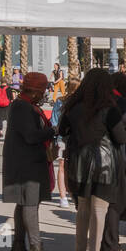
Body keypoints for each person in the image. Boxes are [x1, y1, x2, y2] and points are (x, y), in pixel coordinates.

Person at [58, 68, 126, 251]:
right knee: (99, 210)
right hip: (103, 164)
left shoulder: (73, 107)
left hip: (79, 164)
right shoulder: (109, 108)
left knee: (83, 209)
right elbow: (121, 138)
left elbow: (62, 130)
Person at [3, 72, 58, 251]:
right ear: (34, 91)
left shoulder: (25, 106)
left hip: (25, 162)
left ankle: (18, 247)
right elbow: (31, 136)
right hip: (27, 163)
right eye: (42, 90)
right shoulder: (23, 108)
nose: (44, 94)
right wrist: (53, 130)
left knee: (24, 203)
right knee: (30, 204)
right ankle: (35, 248)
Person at [99, 72, 126, 251]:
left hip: (95, 158)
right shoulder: (120, 102)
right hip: (116, 157)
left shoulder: (98, 99)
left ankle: (99, 243)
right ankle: (111, 245)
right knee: (117, 202)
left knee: (100, 203)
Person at [52, 79, 77, 208]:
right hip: (75, 138)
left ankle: (63, 197)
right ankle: (71, 194)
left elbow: (54, 121)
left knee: (62, 166)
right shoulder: (80, 102)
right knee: (72, 166)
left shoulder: (60, 101)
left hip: (62, 138)